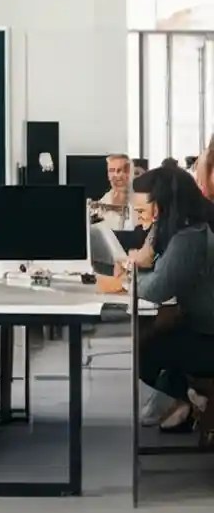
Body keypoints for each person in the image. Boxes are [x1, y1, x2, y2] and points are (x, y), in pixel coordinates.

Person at [97, 166, 214, 431]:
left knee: (146, 349)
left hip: (209, 337)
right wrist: (143, 256)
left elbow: (155, 289)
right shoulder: (189, 230)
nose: (140, 220)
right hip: (203, 327)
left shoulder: (189, 238)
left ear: (160, 208)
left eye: (142, 211)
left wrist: (131, 271)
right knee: (155, 333)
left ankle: (189, 400)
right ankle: (188, 402)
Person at [91, 153, 134, 230]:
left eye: (120, 170)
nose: (116, 175)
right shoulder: (108, 196)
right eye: (111, 170)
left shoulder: (140, 196)